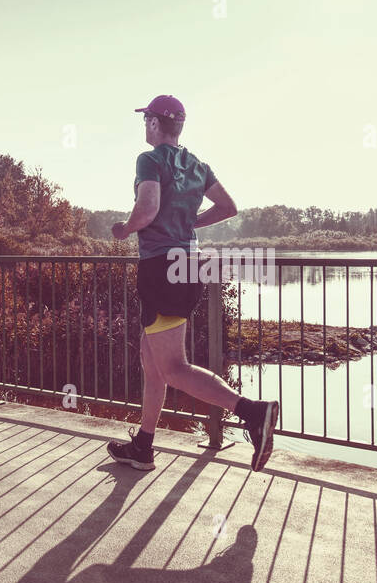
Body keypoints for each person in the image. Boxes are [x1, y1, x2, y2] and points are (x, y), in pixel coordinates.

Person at [107, 94, 279, 473]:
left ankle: (253, 413)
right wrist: (189, 224)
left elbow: (148, 209)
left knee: (173, 367)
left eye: (146, 120)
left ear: (154, 123)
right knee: (151, 363)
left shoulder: (149, 160)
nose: (145, 126)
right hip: (188, 266)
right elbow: (228, 207)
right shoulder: (197, 164)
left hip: (161, 267)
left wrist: (124, 229)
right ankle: (143, 446)